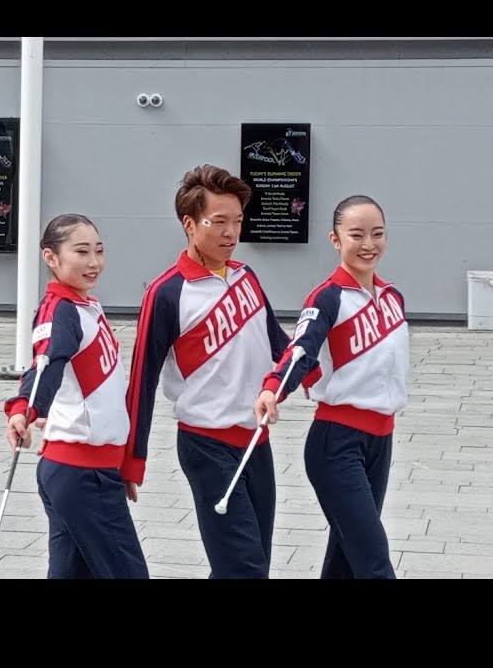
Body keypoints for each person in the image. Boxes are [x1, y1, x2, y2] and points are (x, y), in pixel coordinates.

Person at [124, 164, 294, 579]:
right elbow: (141, 379)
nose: (231, 233)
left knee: (252, 563)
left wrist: (324, 374)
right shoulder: (167, 292)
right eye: (218, 222)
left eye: (237, 221)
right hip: (206, 445)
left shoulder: (246, 277)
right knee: (244, 568)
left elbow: (280, 345)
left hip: (256, 442)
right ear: (189, 223)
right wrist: (131, 460)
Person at [254, 195, 406, 579]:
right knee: (374, 561)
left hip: (380, 441)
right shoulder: (327, 298)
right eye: (356, 234)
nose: (368, 244)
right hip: (336, 445)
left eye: (377, 234)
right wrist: (274, 387)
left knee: (346, 559)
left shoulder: (392, 298)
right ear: (335, 240)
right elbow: (301, 350)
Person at [4, 213, 149, 580]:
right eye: (81, 251)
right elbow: (45, 365)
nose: (94, 262)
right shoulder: (61, 311)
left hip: (88, 470)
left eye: (99, 251)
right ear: (50, 257)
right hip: (83, 475)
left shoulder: (86, 305)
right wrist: (25, 408)